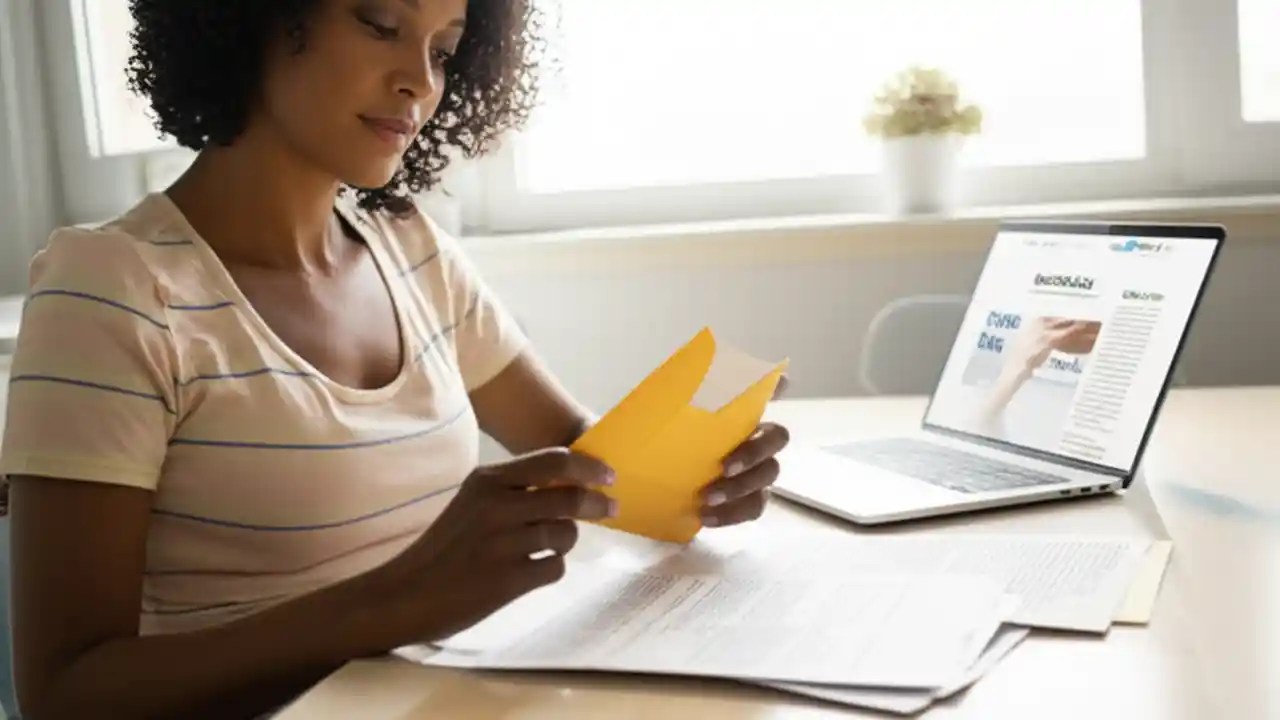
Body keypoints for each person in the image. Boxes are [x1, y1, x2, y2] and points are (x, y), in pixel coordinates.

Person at [0, 2, 790, 718]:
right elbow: (66, 693)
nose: (419, 81)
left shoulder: (409, 249)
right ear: (256, 20)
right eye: (380, 24)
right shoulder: (112, 289)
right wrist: (396, 602)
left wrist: (695, 479)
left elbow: (591, 462)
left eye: (445, 52)